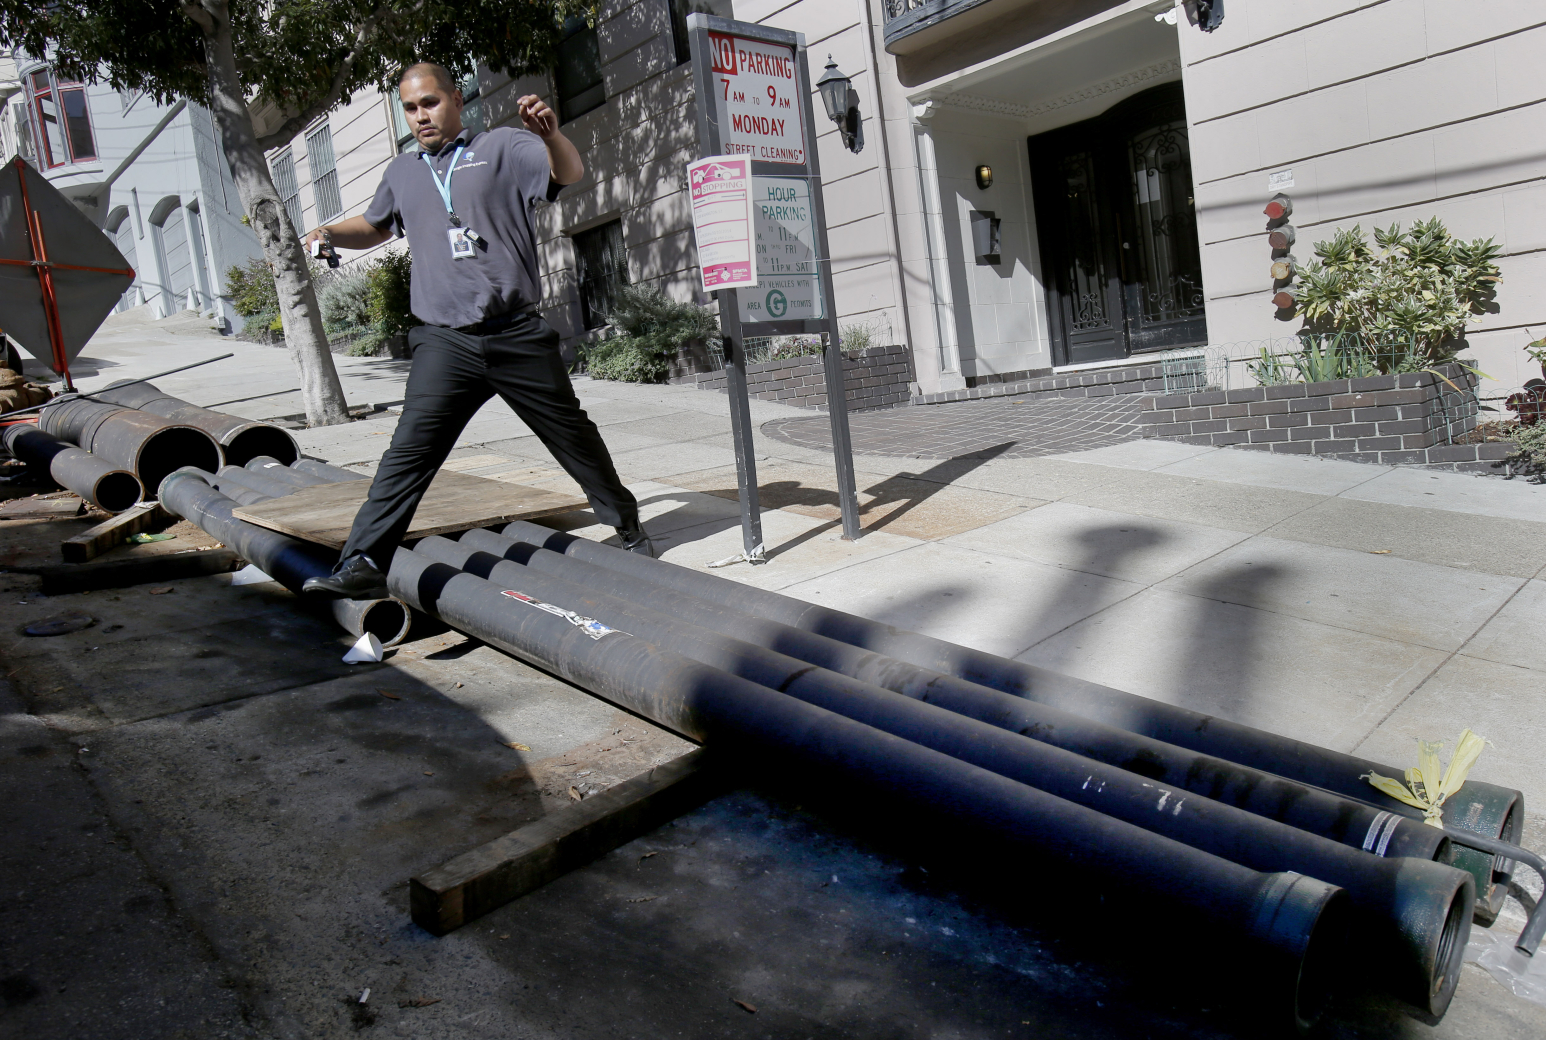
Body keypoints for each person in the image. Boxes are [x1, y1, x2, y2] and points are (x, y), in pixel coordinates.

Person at [300, 62, 649, 600]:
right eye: (410, 108)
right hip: (445, 341)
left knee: (572, 436)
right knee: (408, 452)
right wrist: (328, 231)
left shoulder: (502, 146)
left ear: (457, 100)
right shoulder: (403, 171)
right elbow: (373, 227)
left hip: (515, 333)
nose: (421, 116)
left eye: (430, 103)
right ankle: (364, 561)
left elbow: (568, 172)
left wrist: (551, 135)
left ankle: (627, 526)